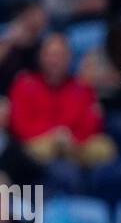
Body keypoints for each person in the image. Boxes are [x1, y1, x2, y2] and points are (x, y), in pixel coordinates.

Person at [8, 32, 114, 166]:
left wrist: (70, 138)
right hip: (39, 144)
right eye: (50, 55)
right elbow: (19, 125)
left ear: (69, 58)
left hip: (75, 145)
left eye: (60, 55)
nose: (55, 60)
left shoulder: (82, 87)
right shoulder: (24, 84)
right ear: (41, 57)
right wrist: (53, 134)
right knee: (37, 150)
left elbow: (92, 125)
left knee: (104, 146)